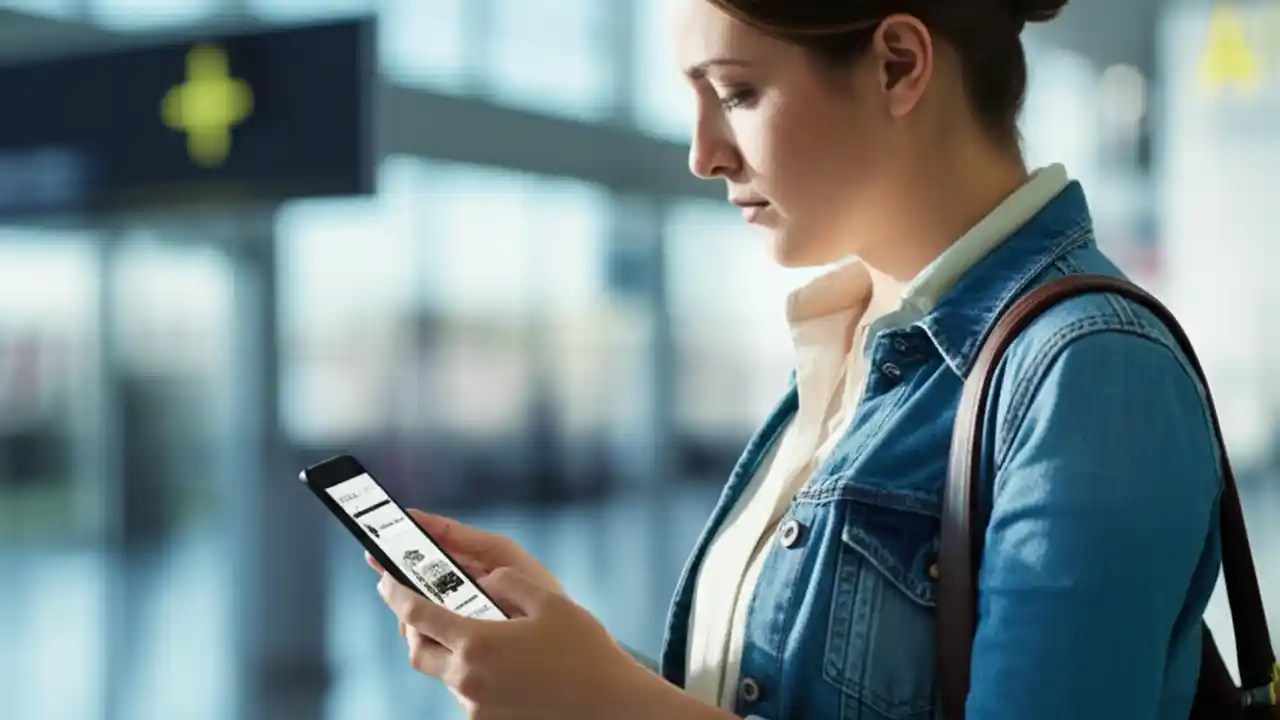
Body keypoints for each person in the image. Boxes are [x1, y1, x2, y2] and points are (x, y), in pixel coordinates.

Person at [366, 0, 1223, 718]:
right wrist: (572, 667)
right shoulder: (853, 344)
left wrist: (612, 706)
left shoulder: (1087, 375)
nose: (702, 152)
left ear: (897, 65)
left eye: (735, 93)